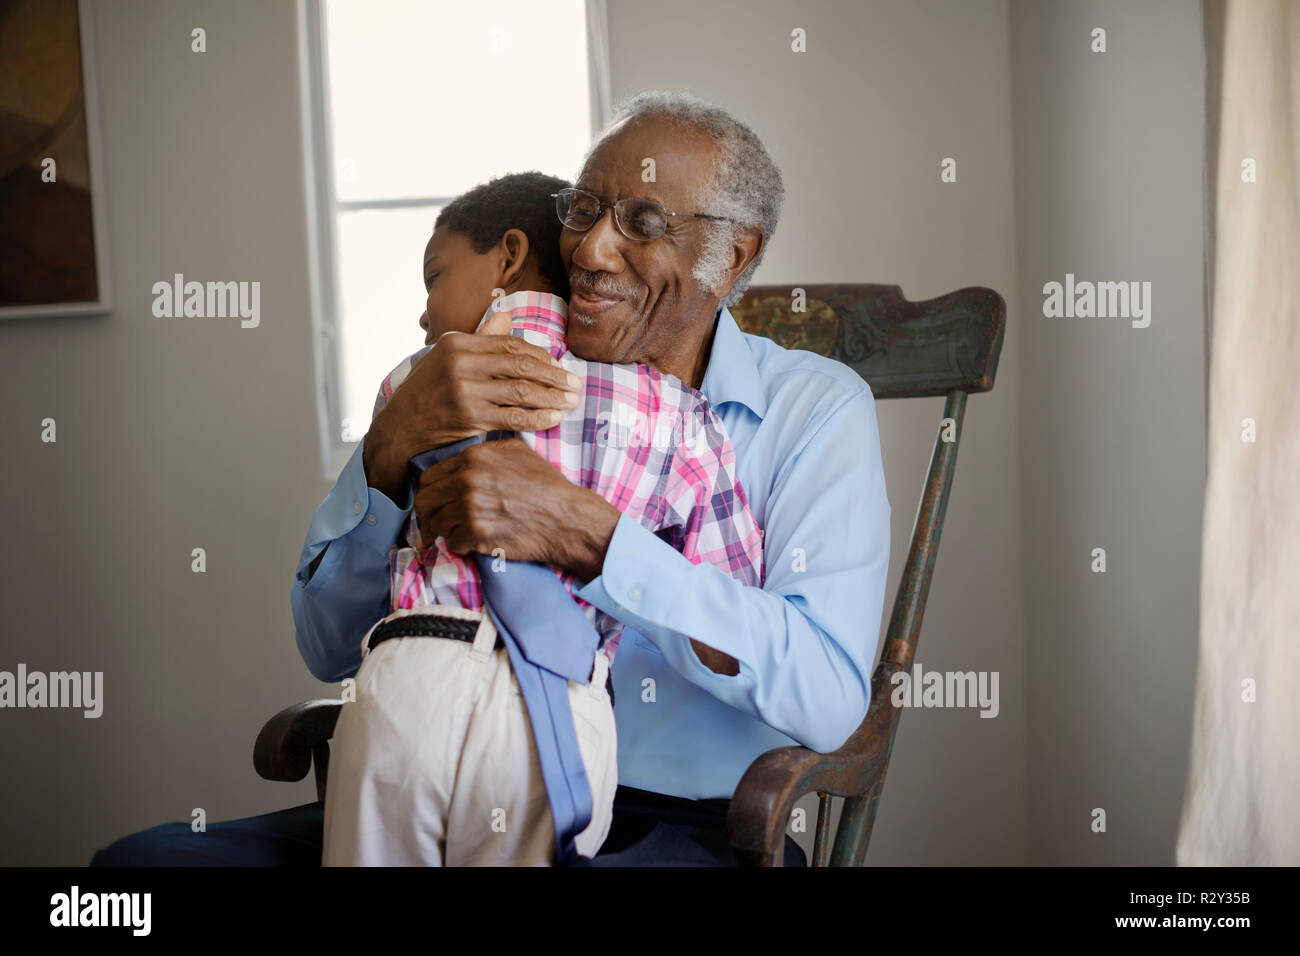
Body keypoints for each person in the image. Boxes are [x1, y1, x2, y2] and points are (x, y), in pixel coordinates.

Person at [91, 91, 890, 867]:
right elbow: (326, 644)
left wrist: (590, 536)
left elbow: (823, 695)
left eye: (642, 224)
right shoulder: (464, 374)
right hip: (437, 779)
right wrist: (388, 451)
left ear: (733, 256)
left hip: (682, 826)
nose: (588, 250)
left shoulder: (812, 412)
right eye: (581, 210)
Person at [323, 173, 764, 866]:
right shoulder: (678, 413)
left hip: (409, 677)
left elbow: (341, 607)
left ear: (507, 257)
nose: (422, 311)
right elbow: (731, 623)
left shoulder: (416, 382)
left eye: (433, 277)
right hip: (560, 703)